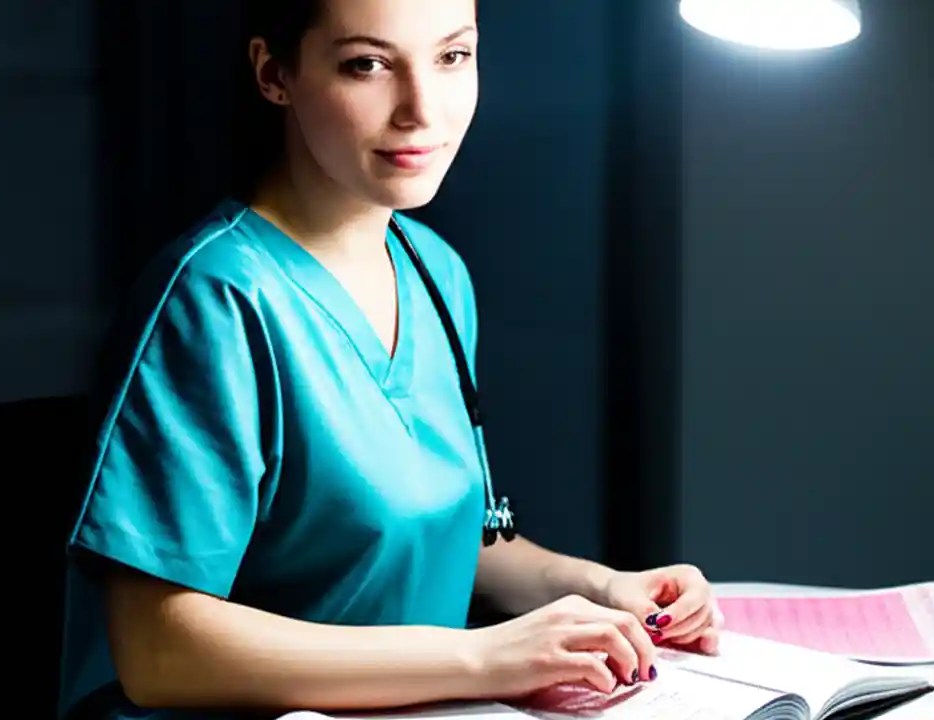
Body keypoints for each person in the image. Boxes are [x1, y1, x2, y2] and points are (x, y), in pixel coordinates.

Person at [57, 0, 723, 717]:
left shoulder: (434, 271)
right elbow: (160, 651)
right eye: (367, 65)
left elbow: (438, 536)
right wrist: (486, 658)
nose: (420, 111)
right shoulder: (214, 299)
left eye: (452, 57)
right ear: (274, 73)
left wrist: (598, 589)